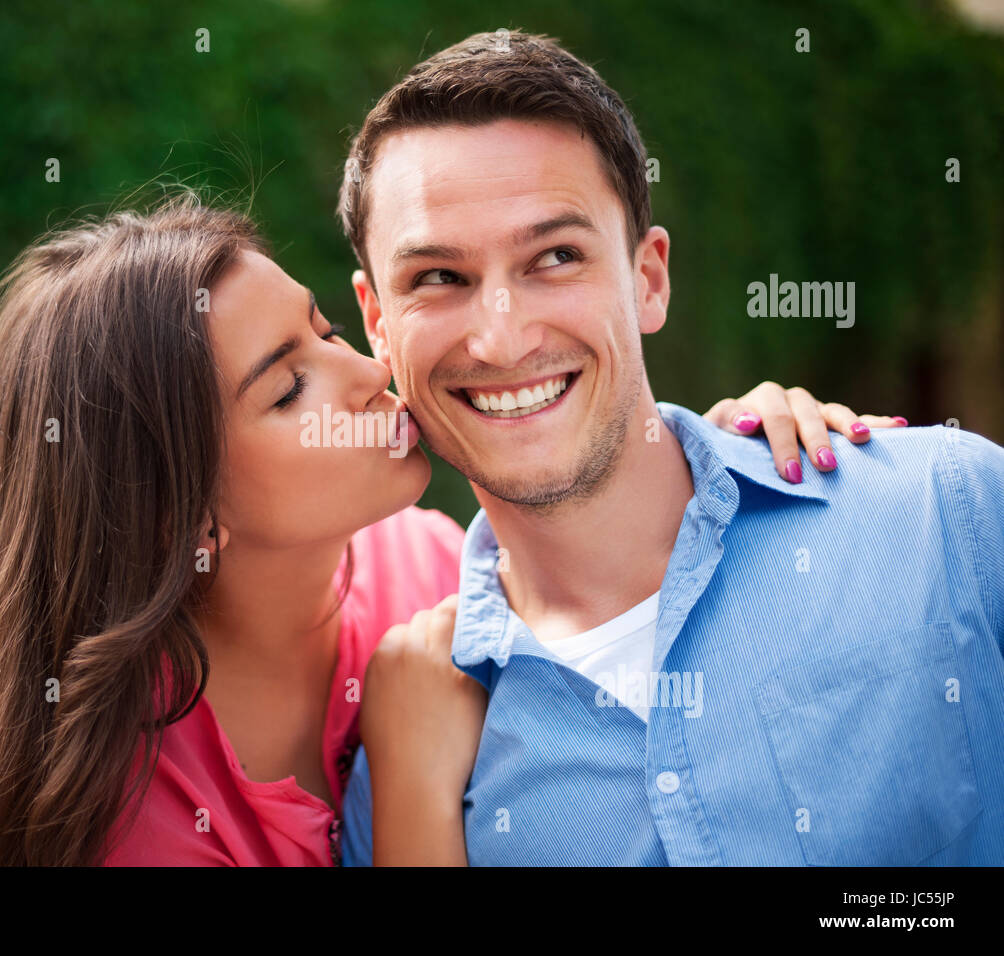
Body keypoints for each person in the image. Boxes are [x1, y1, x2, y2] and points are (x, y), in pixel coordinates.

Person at [0, 191, 898, 866]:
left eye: (325, 330)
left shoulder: (420, 557)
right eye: (288, 387)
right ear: (177, 512)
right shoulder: (138, 823)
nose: (368, 377)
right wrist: (408, 769)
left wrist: (715, 463)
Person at [338, 30, 1004, 866]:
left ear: (647, 279)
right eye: (438, 278)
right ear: (376, 323)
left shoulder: (949, 513)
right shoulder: (403, 794)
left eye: (555, 257)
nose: (501, 340)